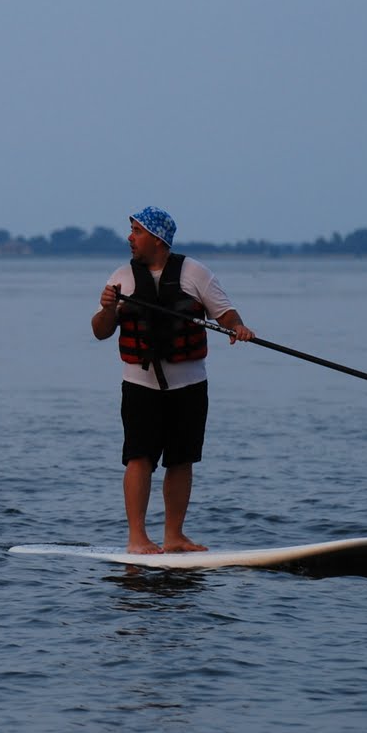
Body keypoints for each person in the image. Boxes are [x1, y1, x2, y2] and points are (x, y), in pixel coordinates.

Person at [90, 207, 255, 554]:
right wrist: (107, 308)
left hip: (190, 386)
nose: (130, 238)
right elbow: (101, 331)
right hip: (140, 386)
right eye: (131, 230)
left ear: (157, 239)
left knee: (182, 459)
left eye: (136, 231)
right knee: (139, 458)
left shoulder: (196, 273)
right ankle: (137, 538)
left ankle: (174, 536)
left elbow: (225, 313)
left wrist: (237, 327)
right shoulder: (122, 277)